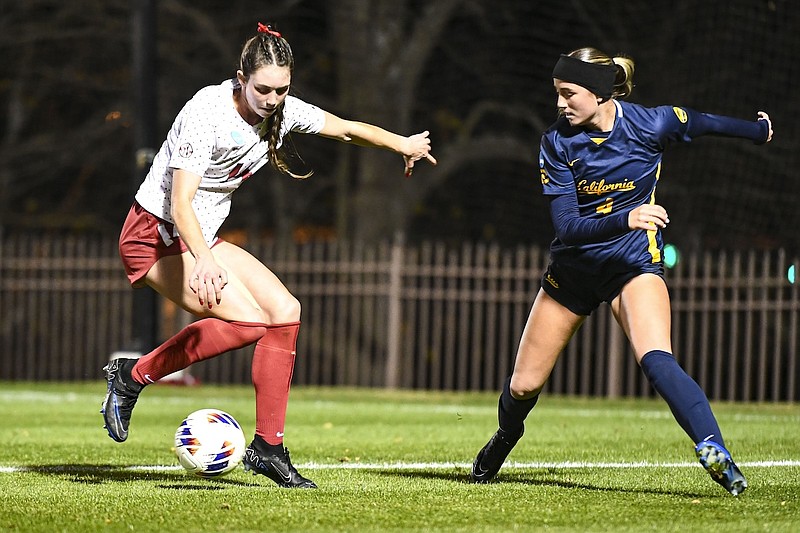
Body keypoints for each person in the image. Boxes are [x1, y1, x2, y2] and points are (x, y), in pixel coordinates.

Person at [102, 22, 436, 489]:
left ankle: (268, 448)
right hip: (154, 238)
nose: (272, 99)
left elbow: (344, 130)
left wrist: (400, 143)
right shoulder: (206, 111)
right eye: (263, 89)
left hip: (199, 239)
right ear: (240, 77)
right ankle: (132, 377)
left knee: (284, 311)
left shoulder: (281, 109)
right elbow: (180, 204)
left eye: (281, 90)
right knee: (247, 323)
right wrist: (203, 260)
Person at [470, 47, 772, 496]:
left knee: (656, 356)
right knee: (523, 384)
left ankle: (714, 448)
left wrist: (759, 131)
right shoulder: (556, 142)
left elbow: (704, 122)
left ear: (596, 91)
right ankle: (507, 436)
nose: (559, 104)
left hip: (633, 263)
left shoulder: (651, 123)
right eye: (556, 93)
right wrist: (626, 218)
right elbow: (569, 229)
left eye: (568, 93)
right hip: (575, 270)